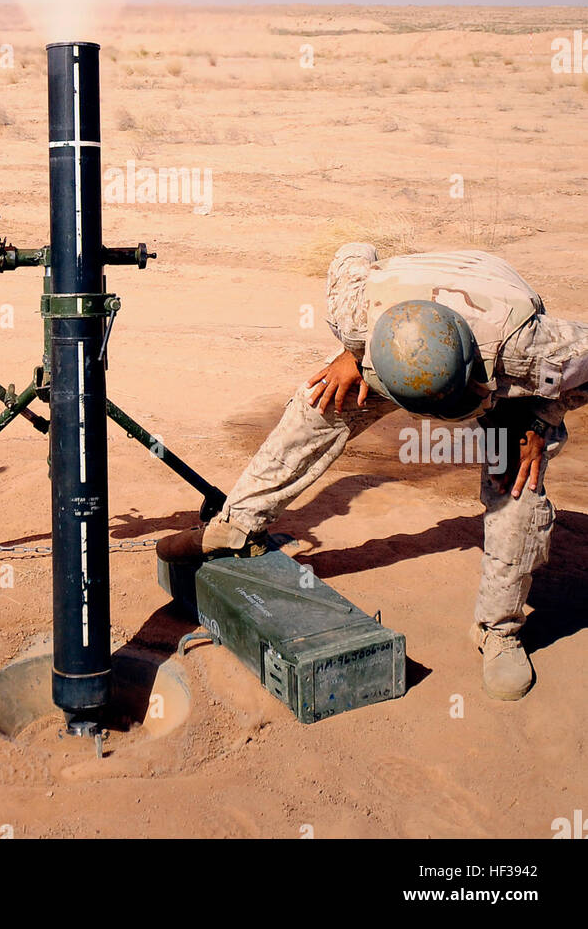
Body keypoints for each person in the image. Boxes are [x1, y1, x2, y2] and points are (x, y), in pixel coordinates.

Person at [157, 243, 588, 700]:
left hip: (492, 347)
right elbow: (353, 250)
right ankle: (238, 523)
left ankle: (500, 631)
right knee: (319, 405)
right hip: (394, 332)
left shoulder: (535, 352)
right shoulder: (354, 309)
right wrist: (352, 350)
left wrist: (542, 416)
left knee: (515, 486)